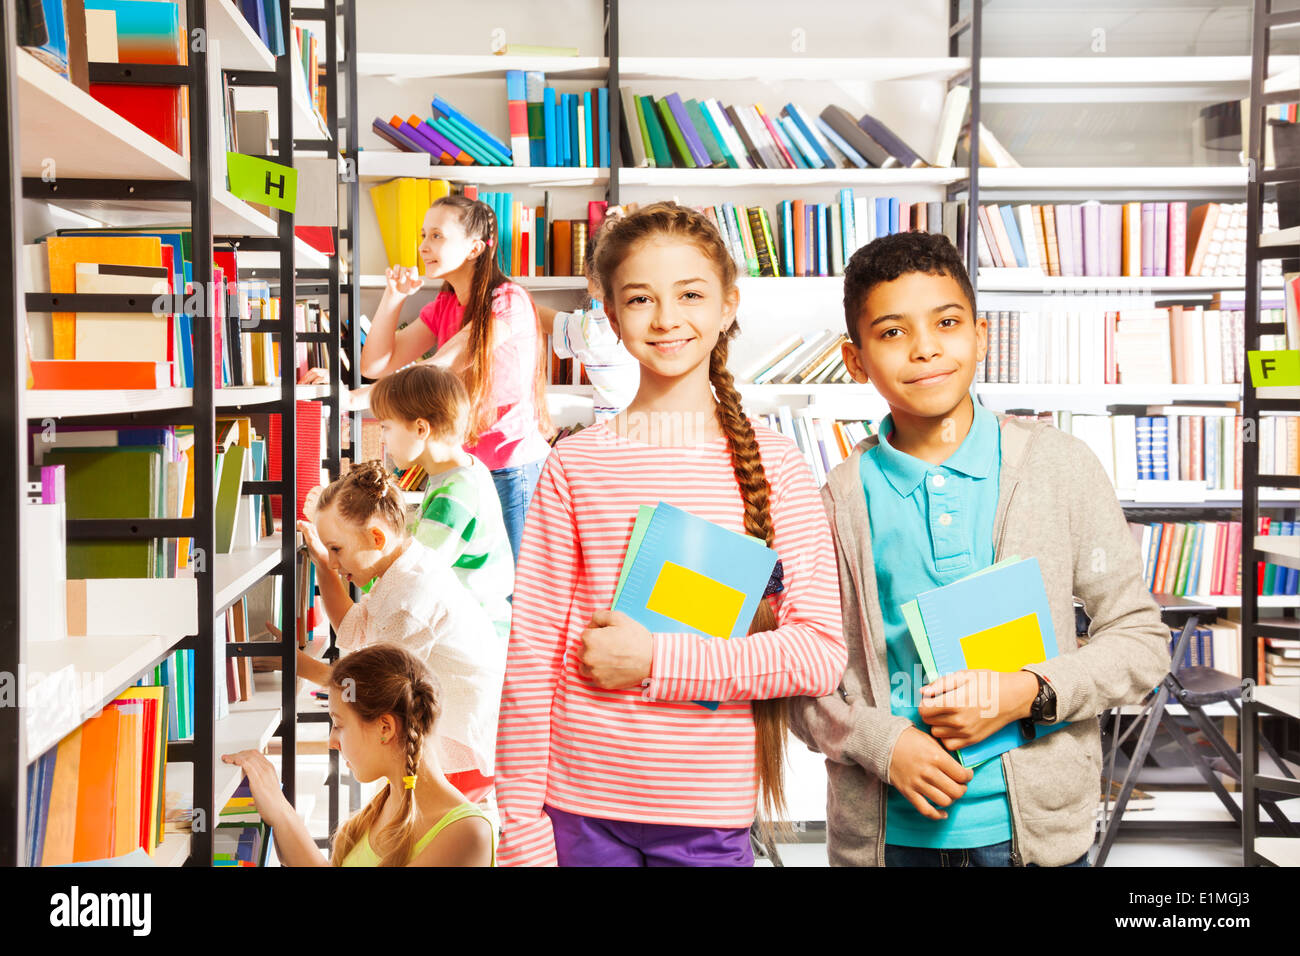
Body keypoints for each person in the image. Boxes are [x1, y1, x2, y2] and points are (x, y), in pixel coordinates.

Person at [786, 230, 1170, 867]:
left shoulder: (1060, 468)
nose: (926, 348)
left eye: (947, 322)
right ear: (855, 361)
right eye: (892, 332)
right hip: (887, 841)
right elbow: (800, 680)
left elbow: (1139, 641)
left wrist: (1026, 692)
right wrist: (882, 744)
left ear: (982, 334)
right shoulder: (833, 500)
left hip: (1037, 837)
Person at [494, 202, 847, 867]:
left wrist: (655, 661)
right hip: (577, 807)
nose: (666, 319)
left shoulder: (779, 467)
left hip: (707, 813)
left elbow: (819, 652)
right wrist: (521, 831)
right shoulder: (575, 462)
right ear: (609, 313)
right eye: (639, 298)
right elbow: (533, 655)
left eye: (690, 294)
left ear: (727, 304)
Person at [297, 461, 505, 803]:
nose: (335, 562)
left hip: (461, 746)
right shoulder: (403, 566)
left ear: (376, 537)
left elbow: (374, 688)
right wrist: (322, 563)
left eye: (337, 549)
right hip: (452, 733)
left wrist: (302, 667)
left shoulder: (410, 597)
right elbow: (352, 628)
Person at [359, 195, 554, 560]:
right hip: (466, 468)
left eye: (437, 236)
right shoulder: (445, 307)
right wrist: (393, 297)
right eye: (423, 235)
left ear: (475, 248)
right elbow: (375, 364)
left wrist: (360, 398)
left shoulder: (508, 301)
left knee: (512, 590)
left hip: (513, 469)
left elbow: (445, 362)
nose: (423, 246)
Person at [223, 644, 494, 866]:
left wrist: (282, 810)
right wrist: (279, 809)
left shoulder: (468, 834)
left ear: (385, 728)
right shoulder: (389, 802)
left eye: (339, 725)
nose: (332, 741)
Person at [369, 364, 513, 641]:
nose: (382, 438)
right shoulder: (463, 472)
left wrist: (355, 561)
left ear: (421, 428)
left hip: (473, 636)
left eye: (386, 427)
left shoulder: (455, 495)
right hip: (477, 625)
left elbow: (412, 580)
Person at [535, 208, 640, 421]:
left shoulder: (592, 328)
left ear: (591, 273)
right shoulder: (651, 320)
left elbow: (539, 315)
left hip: (615, 441)